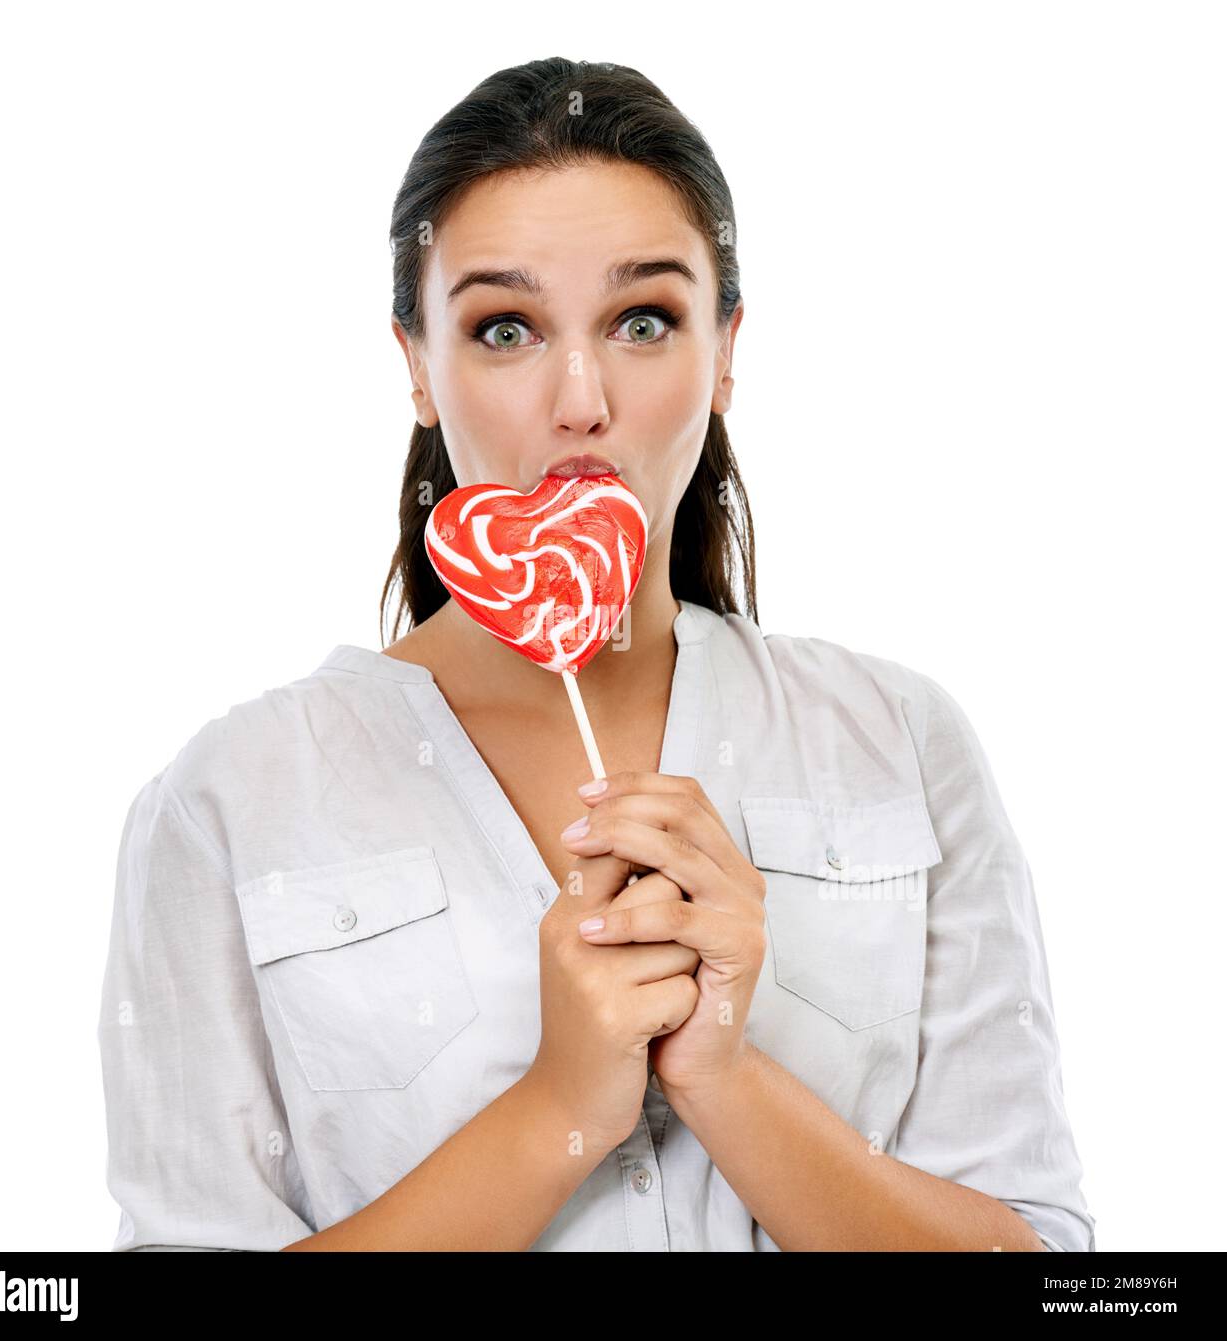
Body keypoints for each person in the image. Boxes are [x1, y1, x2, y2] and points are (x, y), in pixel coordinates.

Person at [97, 57, 1095, 1252]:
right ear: (419, 366)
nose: (579, 401)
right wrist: (558, 1111)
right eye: (505, 327)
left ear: (724, 352)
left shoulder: (901, 746)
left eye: (642, 320)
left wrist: (727, 1081)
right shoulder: (228, 802)